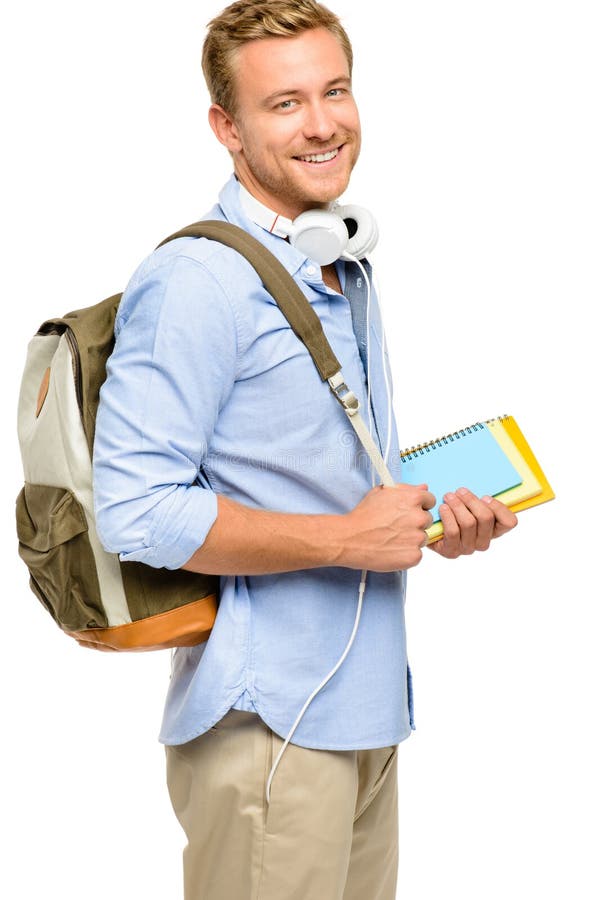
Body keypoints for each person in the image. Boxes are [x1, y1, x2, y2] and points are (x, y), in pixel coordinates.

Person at [92, 1, 518, 897]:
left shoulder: (337, 261)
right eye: (284, 103)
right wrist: (343, 540)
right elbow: (135, 507)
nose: (323, 123)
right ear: (227, 128)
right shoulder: (197, 281)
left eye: (334, 90)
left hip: (365, 715)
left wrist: (430, 513)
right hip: (271, 725)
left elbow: (338, 482)